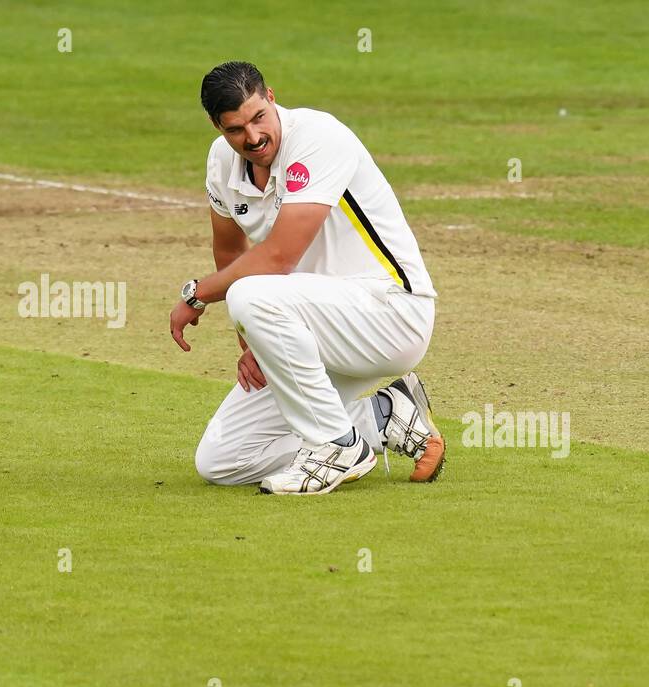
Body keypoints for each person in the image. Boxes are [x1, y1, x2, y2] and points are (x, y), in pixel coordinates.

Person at [170, 61, 444, 495]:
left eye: (259, 118)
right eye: (235, 129)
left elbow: (277, 258)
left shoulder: (319, 137)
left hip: (390, 315)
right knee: (222, 460)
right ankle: (382, 415)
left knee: (249, 294)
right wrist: (253, 343)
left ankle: (338, 446)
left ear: (272, 97)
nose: (254, 137)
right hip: (316, 326)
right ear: (216, 126)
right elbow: (229, 249)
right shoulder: (222, 161)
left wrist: (197, 295)